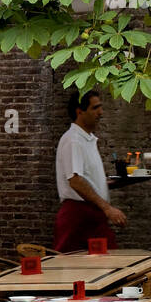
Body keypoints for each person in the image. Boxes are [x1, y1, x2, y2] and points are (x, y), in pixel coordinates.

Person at [53, 89, 126, 252]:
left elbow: (83, 178)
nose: (101, 112)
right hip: (78, 216)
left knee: (106, 264)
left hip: (92, 215)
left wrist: (105, 183)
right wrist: (108, 208)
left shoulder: (86, 140)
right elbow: (75, 180)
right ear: (80, 112)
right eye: (95, 108)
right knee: (72, 267)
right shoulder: (74, 141)